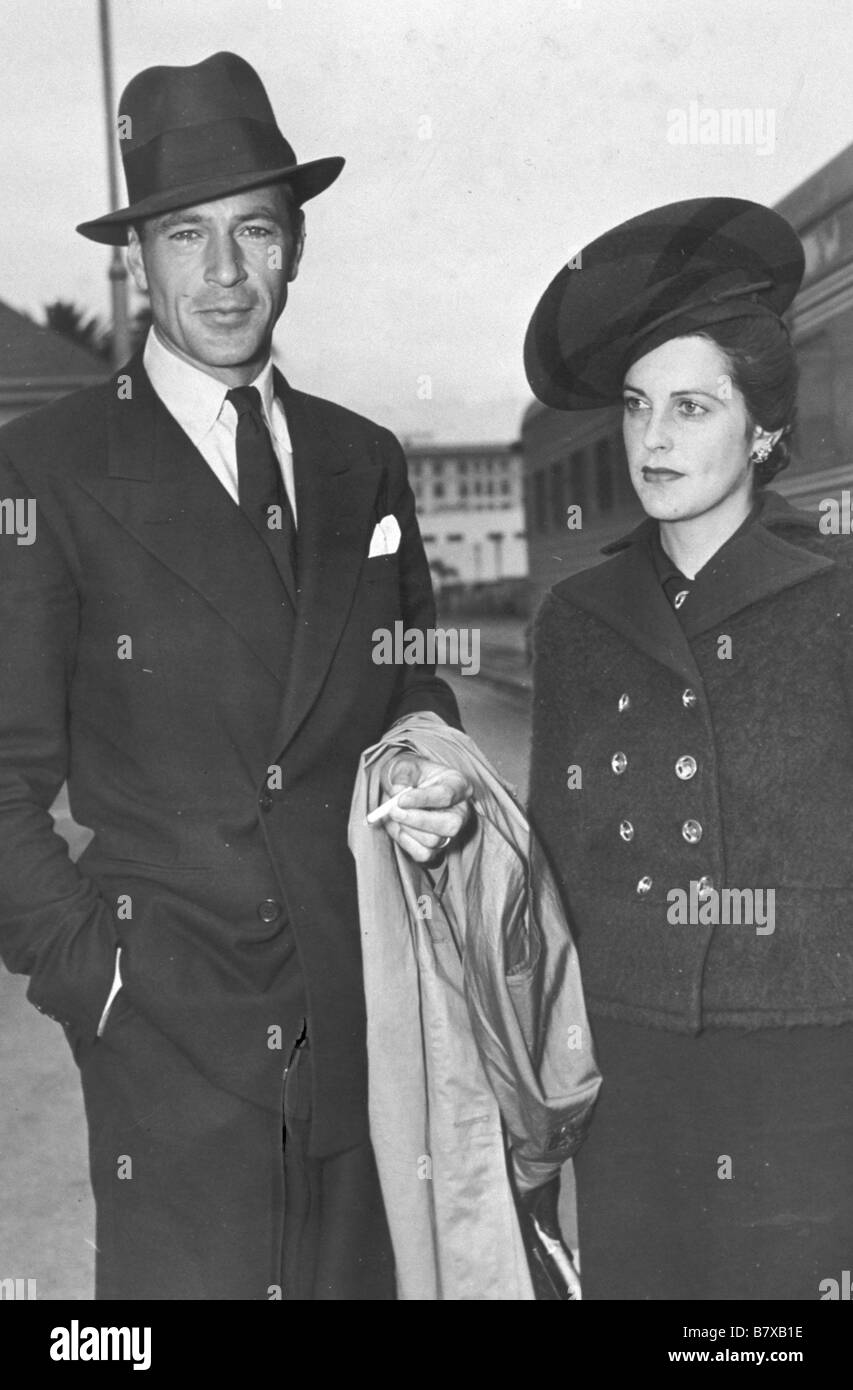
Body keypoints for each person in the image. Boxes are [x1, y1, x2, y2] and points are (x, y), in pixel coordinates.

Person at [0, 51, 473, 1301]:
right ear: (139, 261)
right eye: (185, 235)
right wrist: (91, 973)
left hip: (363, 1025)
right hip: (169, 1039)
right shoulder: (48, 465)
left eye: (253, 231)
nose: (221, 273)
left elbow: (413, 674)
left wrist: (431, 758)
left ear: (295, 249)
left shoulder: (361, 459)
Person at [524, 196, 853, 1300]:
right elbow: (551, 877)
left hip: (810, 1068)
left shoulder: (838, 604)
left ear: (761, 428)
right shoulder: (576, 620)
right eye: (635, 407)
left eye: (692, 407)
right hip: (628, 1074)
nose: (653, 441)